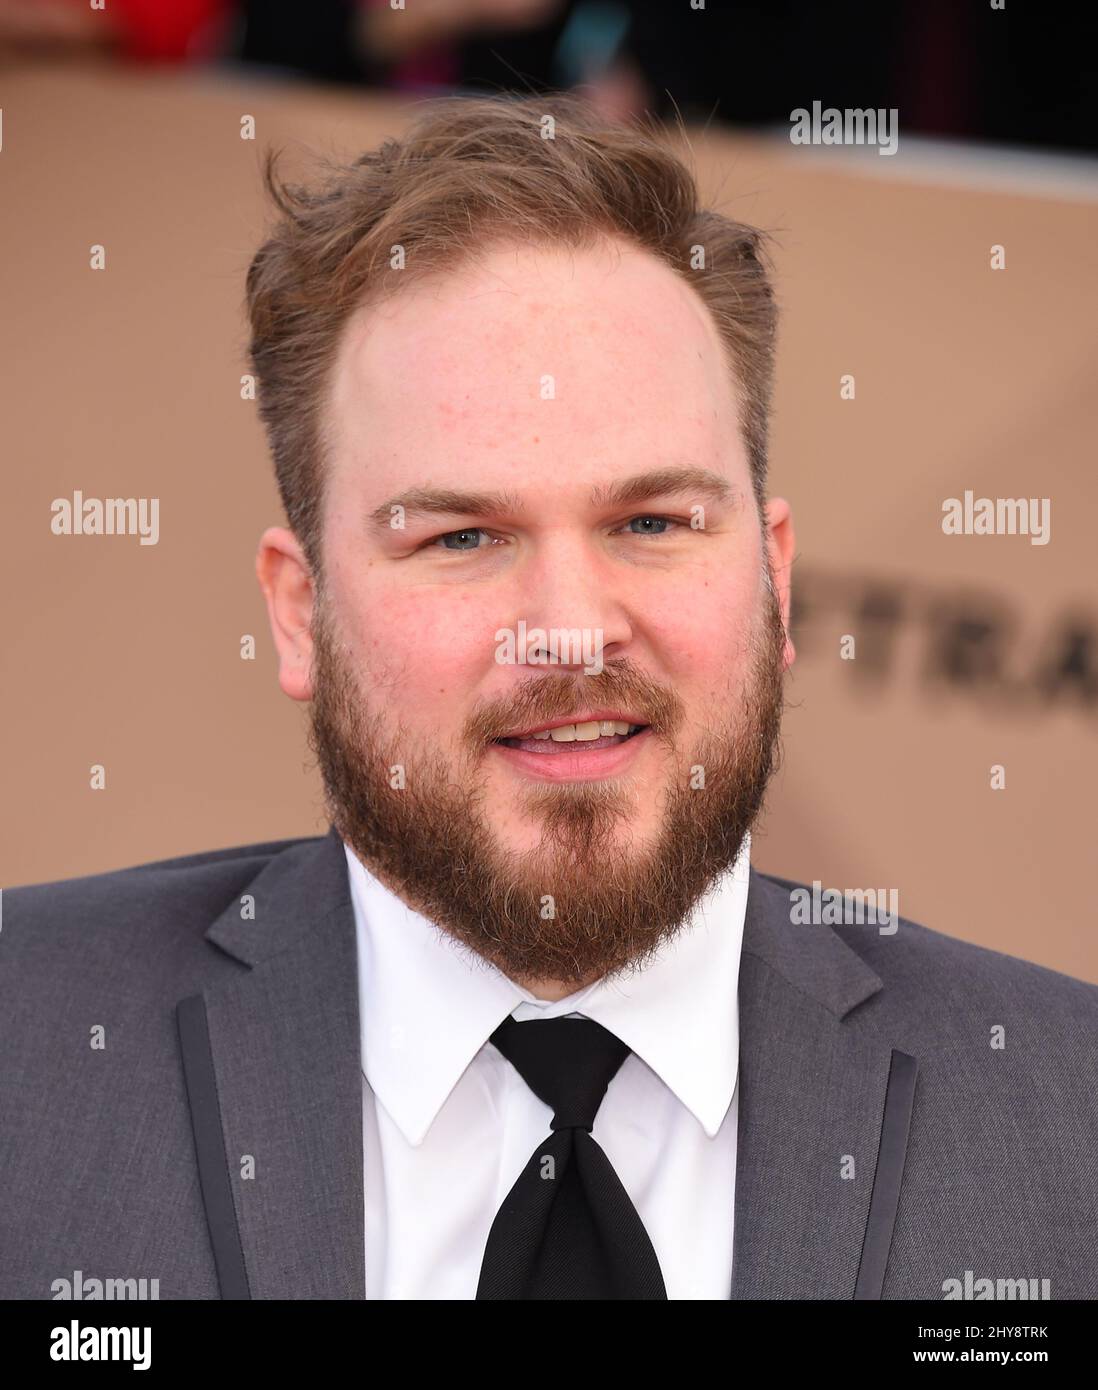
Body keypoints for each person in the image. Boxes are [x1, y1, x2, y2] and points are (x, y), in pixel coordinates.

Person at [3, 93, 1095, 1302]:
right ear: (299, 611)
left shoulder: (1069, 1116)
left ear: (775, 581)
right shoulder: (24, 1055)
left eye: (651, 521)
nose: (569, 628)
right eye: (464, 536)